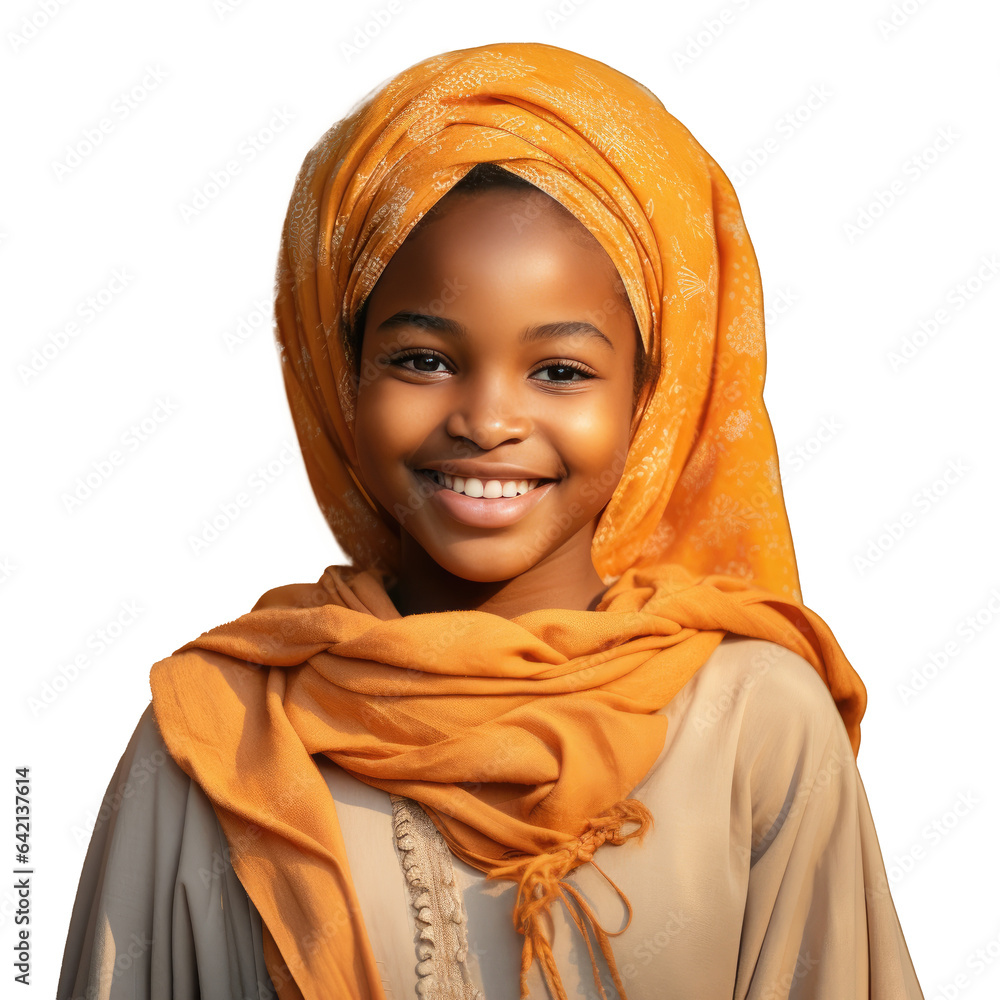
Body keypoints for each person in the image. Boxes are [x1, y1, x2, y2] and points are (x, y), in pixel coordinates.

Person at [57, 41, 925, 1000]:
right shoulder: (215, 739)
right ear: (341, 376)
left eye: (560, 371)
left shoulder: (756, 723)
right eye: (424, 359)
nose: (486, 421)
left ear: (652, 397)